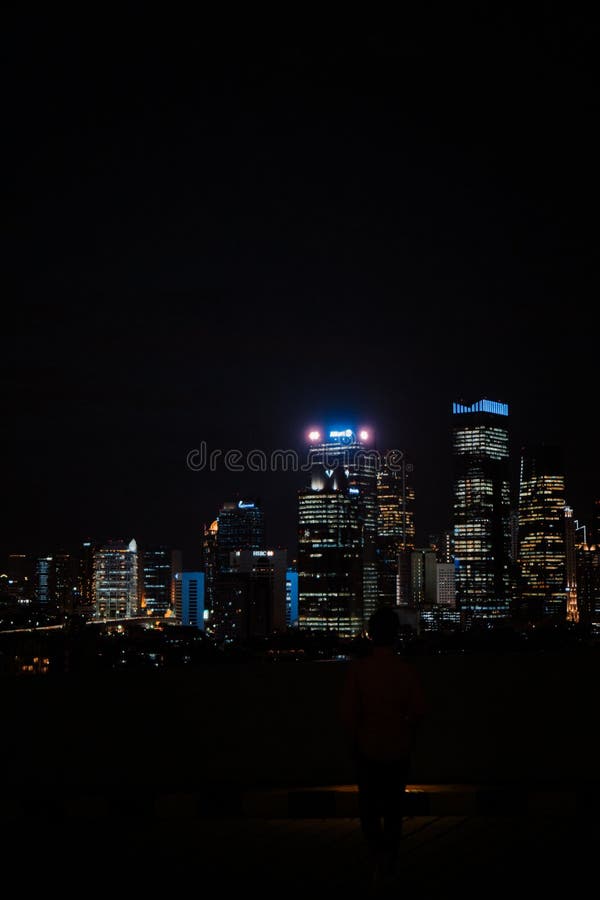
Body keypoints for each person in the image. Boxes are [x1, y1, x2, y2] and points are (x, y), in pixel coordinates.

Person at [340, 607, 426, 885]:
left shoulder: (358, 671)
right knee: (393, 809)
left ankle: (377, 856)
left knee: (368, 808)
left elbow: (350, 715)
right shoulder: (406, 671)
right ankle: (390, 858)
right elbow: (418, 711)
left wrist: (355, 742)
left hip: (367, 747)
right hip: (398, 747)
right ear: (395, 634)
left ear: (370, 634)